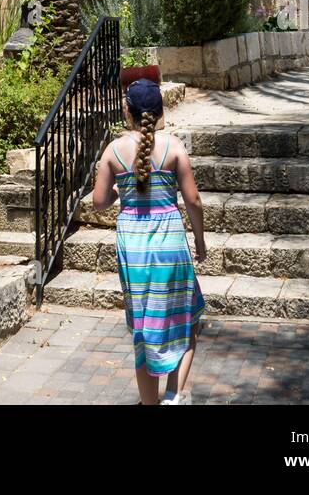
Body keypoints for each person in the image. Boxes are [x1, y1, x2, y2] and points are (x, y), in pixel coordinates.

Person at [92, 78, 206, 405]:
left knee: (143, 329)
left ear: (127, 110)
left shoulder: (113, 151)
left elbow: (99, 202)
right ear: (159, 111)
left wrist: (119, 191)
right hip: (170, 239)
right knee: (186, 321)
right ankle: (173, 395)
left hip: (133, 245)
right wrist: (199, 239)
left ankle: (150, 403)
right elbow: (193, 200)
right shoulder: (174, 147)